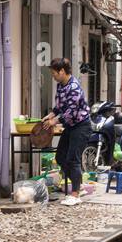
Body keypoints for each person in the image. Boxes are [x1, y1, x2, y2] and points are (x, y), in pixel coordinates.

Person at [44, 58, 91, 206]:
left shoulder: (74, 88)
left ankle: (76, 195)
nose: (53, 76)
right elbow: (59, 106)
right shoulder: (60, 86)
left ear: (62, 71)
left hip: (81, 125)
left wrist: (54, 122)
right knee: (61, 156)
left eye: (54, 73)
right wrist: (51, 115)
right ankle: (80, 185)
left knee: (73, 159)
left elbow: (71, 112)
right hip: (71, 126)